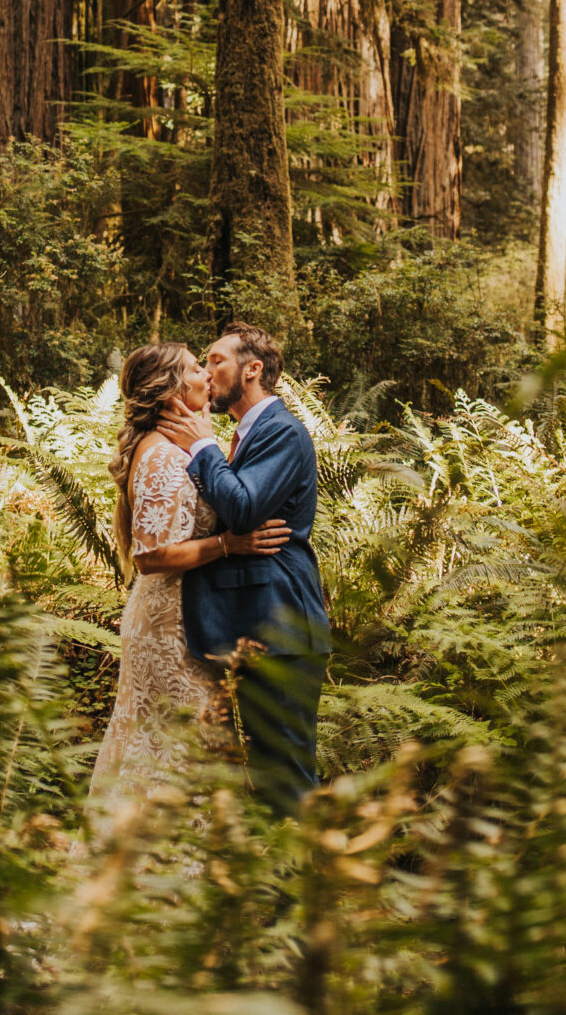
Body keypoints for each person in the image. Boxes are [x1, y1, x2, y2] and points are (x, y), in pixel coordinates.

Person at [90, 341, 290, 804]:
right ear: (172, 389)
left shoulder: (174, 446)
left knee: (178, 744)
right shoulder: (161, 455)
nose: (206, 375)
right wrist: (229, 544)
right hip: (168, 624)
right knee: (180, 745)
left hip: (186, 616)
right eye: (196, 368)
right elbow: (151, 556)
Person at [158, 322, 330, 813]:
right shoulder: (247, 433)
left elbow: (243, 508)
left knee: (287, 773)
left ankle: (314, 883)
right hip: (255, 626)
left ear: (253, 369)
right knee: (267, 772)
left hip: (280, 625)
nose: (207, 373)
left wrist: (203, 446)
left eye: (216, 360)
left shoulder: (280, 431)